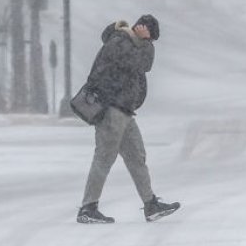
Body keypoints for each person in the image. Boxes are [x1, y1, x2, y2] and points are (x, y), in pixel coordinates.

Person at [77, 14, 181, 224]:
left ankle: (150, 204)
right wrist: (144, 42)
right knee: (104, 158)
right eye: (150, 39)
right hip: (112, 109)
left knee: (136, 156)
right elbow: (144, 64)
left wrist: (142, 42)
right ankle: (88, 208)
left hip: (124, 111)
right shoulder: (120, 42)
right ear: (143, 31)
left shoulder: (127, 44)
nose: (150, 44)